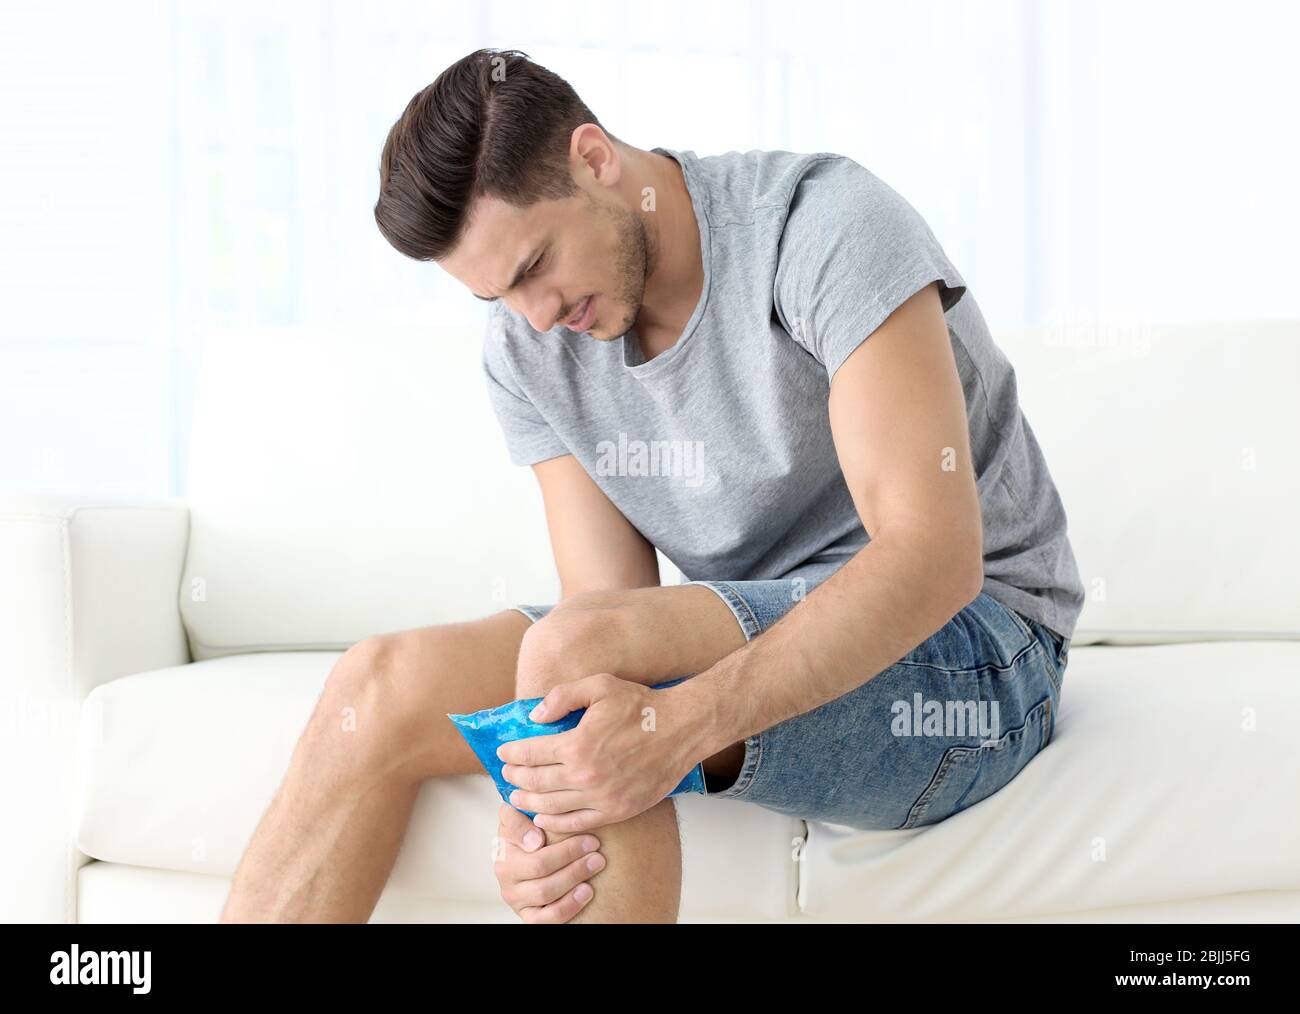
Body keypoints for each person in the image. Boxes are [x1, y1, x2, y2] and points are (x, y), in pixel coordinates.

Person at [220, 48, 1083, 925]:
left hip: (977, 654)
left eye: (533, 268)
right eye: (497, 297)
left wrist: (683, 726)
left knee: (582, 653)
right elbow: (604, 607)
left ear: (593, 159)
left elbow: (934, 560)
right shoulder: (530, 347)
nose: (537, 316)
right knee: (378, 686)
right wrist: (537, 831)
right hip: (747, 623)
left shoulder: (824, 228)